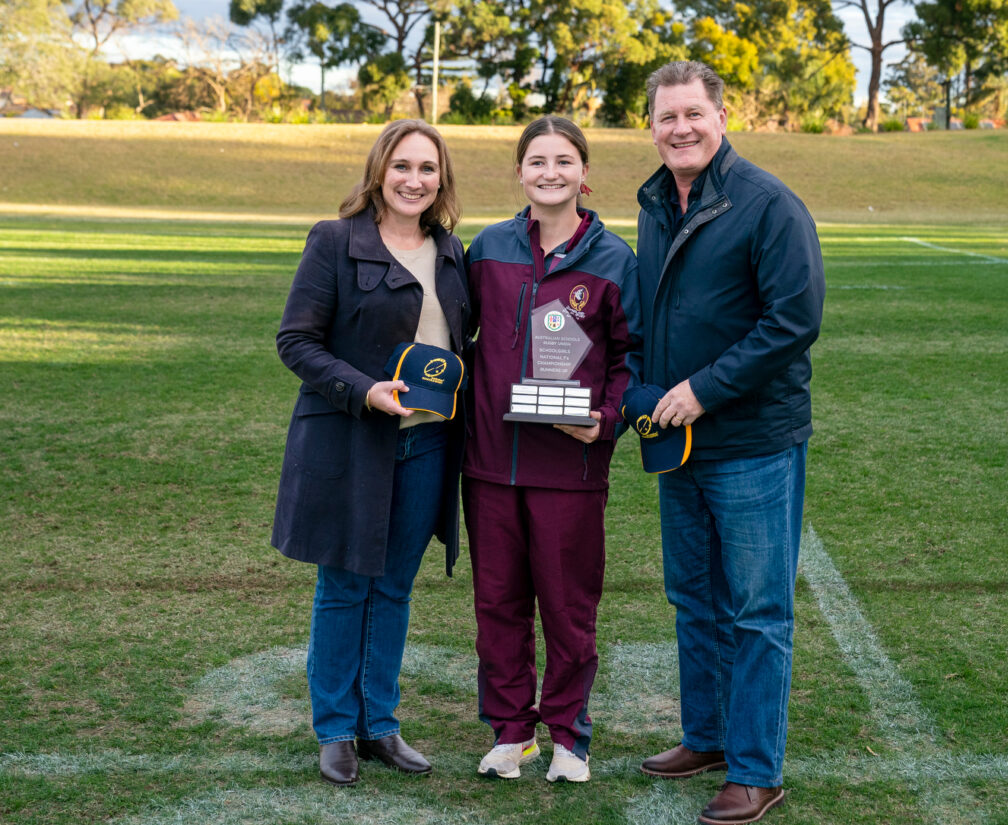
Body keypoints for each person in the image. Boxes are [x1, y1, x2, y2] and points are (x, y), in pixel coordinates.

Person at [630, 61, 825, 824]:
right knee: (693, 599)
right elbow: (651, 309)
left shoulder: (769, 204)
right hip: (678, 444)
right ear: (651, 126)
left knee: (756, 610)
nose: (680, 128)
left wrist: (703, 388)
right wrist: (636, 393)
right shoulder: (654, 203)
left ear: (721, 115)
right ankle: (706, 736)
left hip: (750, 439)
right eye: (666, 116)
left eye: (692, 114)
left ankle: (755, 768)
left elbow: (793, 321)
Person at [271, 119, 469, 786]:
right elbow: (296, 339)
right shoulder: (335, 240)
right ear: (379, 170)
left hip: (427, 444)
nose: (416, 179)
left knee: (394, 586)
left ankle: (380, 722)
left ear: (442, 179)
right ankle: (335, 728)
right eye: (403, 165)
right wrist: (365, 391)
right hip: (353, 438)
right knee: (345, 583)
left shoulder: (449, 251)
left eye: (428, 168)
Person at [462, 116, 640, 783]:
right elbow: (455, 335)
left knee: (568, 606)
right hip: (489, 463)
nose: (550, 172)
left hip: (571, 465)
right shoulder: (487, 248)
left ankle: (568, 733)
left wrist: (607, 418)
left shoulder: (614, 259)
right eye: (537, 161)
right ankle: (513, 732)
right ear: (519, 172)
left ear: (583, 172)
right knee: (498, 603)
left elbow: (631, 356)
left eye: (563, 161)